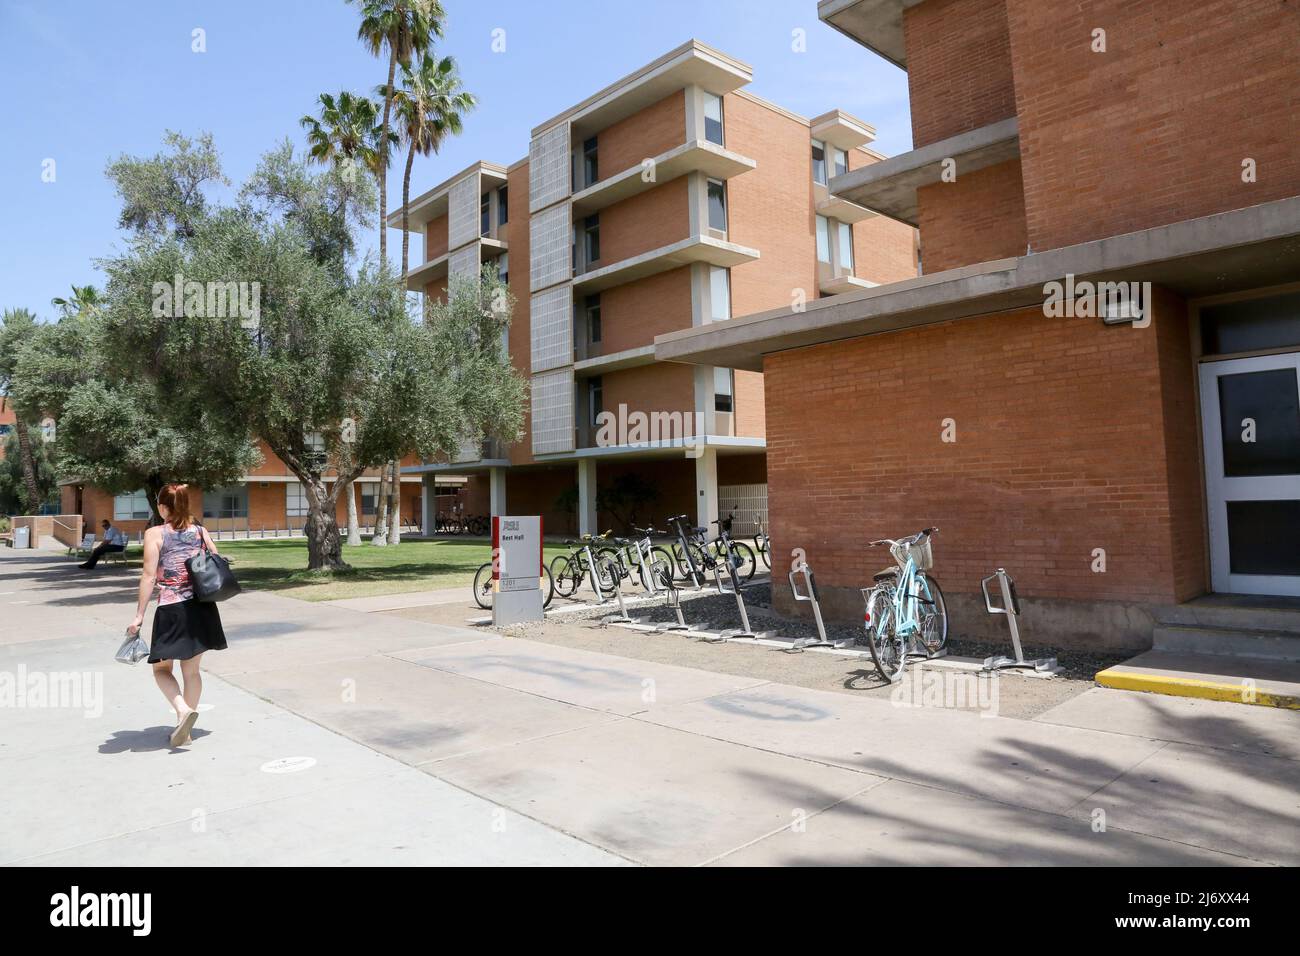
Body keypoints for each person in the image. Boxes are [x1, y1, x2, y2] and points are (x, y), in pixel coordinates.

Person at [125, 483, 228, 747]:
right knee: (191, 672)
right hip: (201, 608)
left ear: (162, 507)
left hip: (172, 609)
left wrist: (139, 615)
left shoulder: (155, 534)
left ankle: (182, 711)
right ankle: (186, 729)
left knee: (161, 668)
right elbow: (216, 560)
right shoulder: (201, 531)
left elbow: (148, 577)